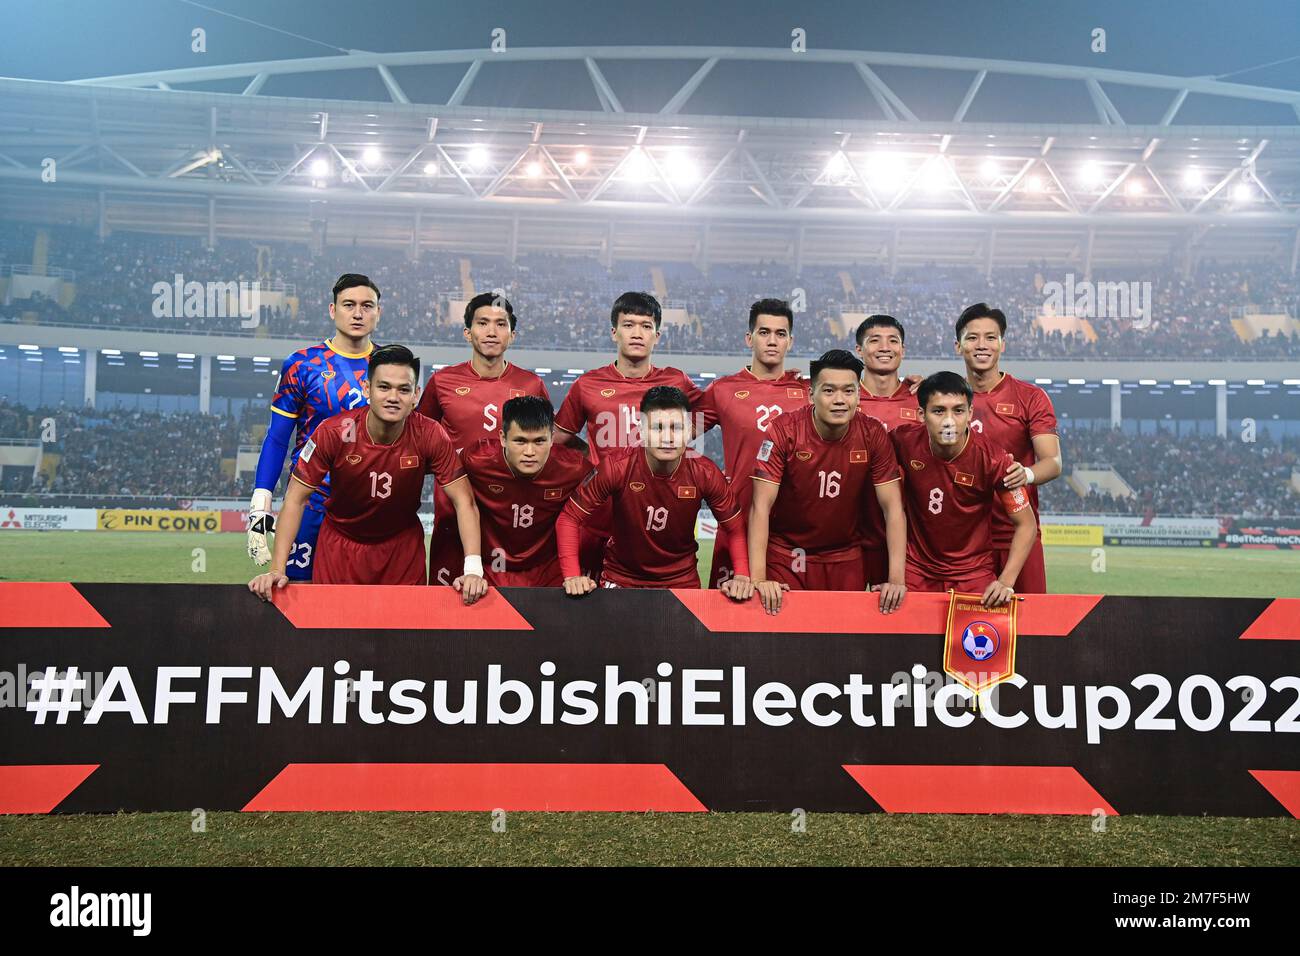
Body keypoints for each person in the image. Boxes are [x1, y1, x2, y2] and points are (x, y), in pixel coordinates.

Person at [248, 345, 487, 602]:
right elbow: (296, 498)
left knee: (403, 637)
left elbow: (464, 501)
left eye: (403, 389)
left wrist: (473, 570)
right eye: (383, 387)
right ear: (366, 389)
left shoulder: (430, 434)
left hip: (402, 550)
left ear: (416, 395)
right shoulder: (333, 432)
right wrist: (277, 568)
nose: (393, 397)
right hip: (340, 546)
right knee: (335, 634)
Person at [552, 292, 703, 577]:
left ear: (657, 336)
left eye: (646, 326)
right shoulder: (588, 384)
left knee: (653, 613)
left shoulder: (676, 380)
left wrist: (683, 437)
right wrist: (588, 455)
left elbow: (713, 408)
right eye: (628, 324)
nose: (637, 333)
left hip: (656, 514)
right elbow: (559, 438)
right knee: (586, 606)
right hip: (599, 517)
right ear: (614, 332)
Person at [748, 349, 906, 615]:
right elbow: (760, 506)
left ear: (859, 394)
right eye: (829, 391)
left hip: (845, 555)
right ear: (811, 394)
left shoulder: (873, 433)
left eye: (848, 391)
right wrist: (758, 579)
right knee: (784, 638)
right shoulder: (784, 430)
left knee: (844, 644)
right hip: (787, 553)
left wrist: (897, 579)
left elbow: (893, 509)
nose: (840, 400)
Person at [556, 386, 751, 597]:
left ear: (688, 431)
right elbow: (569, 517)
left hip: (681, 580)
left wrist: (741, 574)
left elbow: (734, 525)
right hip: (621, 578)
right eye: (657, 428)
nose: (667, 437)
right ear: (641, 430)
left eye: (676, 428)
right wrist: (572, 576)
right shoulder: (616, 467)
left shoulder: (706, 473)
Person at [246, 273, 379, 581]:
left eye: (367, 305)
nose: (358, 313)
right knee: (296, 594)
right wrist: (260, 501)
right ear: (333, 310)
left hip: (369, 505)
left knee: (367, 604)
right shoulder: (302, 364)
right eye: (349, 304)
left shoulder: (391, 366)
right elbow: (278, 438)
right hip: (310, 501)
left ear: (378, 312)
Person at [417, 292, 550, 585]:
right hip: (454, 508)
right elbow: (420, 441)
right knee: (449, 603)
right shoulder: (442, 382)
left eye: (501, 324)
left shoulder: (531, 384)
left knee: (512, 604)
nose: (491, 331)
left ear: (512, 335)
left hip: (510, 512)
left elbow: (545, 446)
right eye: (483, 323)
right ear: (467, 332)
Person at [889, 371, 1037, 607]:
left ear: (970, 413)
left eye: (958, 411)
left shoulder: (995, 460)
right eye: (938, 411)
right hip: (917, 571)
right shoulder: (902, 441)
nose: (949, 421)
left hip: (973, 574)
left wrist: (1006, 581)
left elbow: (1026, 524)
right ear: (921, 415)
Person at [695, 298, 808, 588]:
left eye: (780, 334)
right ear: (749, 338)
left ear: (790, 342)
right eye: (764, 332)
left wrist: (910, 391)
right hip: (738, 523)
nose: (772, 341)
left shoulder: (808, 391)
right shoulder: (722, 390)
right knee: (729, 622)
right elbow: (674, 433)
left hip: (794, 528)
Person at [955, 302, 1062, 593]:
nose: (982, 345)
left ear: (1003, 345)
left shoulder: (1030, 397)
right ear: (958, 346)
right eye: (972, 337)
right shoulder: (946, 399)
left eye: (991, 337)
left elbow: (1052, 461)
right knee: (965, 631)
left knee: (1031, 630)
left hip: (1017, 534)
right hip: (962, 543)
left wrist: (1025, 474)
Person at [459, 395, 594, 587]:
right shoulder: (475, 460)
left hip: (548, 572)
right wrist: (471, 567)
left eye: (539, 441)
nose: (530, 452)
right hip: (491, 569)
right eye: (520, 441)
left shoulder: (575, 468)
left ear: (552, 439)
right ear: (503, 438)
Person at [853, 314, 922, 588]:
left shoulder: (924, 400)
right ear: (859, 350)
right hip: (849, 540)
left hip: (908, 539)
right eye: (874, 340)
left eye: (893, 341)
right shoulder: (842, 397)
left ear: (903, 350)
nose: (884, 347)